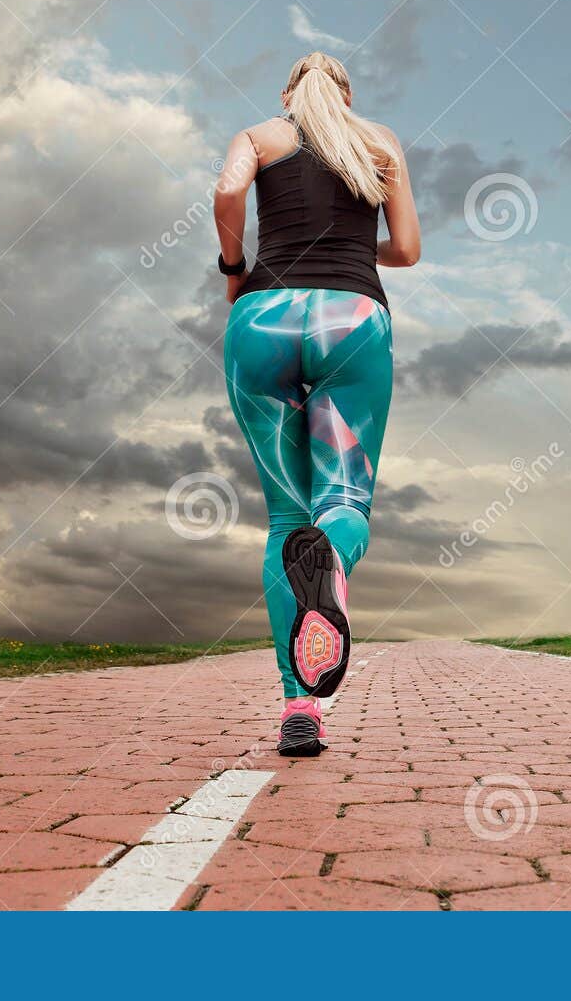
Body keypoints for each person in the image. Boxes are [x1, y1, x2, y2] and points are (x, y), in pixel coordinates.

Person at [213, 51, 421, 757]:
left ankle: (299, 707)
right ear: (347, 93)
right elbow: (410, 249)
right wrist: (356, 247)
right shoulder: (379, 142)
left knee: (284, 518)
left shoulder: (258, 136)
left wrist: (235, 269)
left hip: (261, 320)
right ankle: (329, 560)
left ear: (287, 93)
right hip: (351, 321)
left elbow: (227, 194)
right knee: (342, 507)